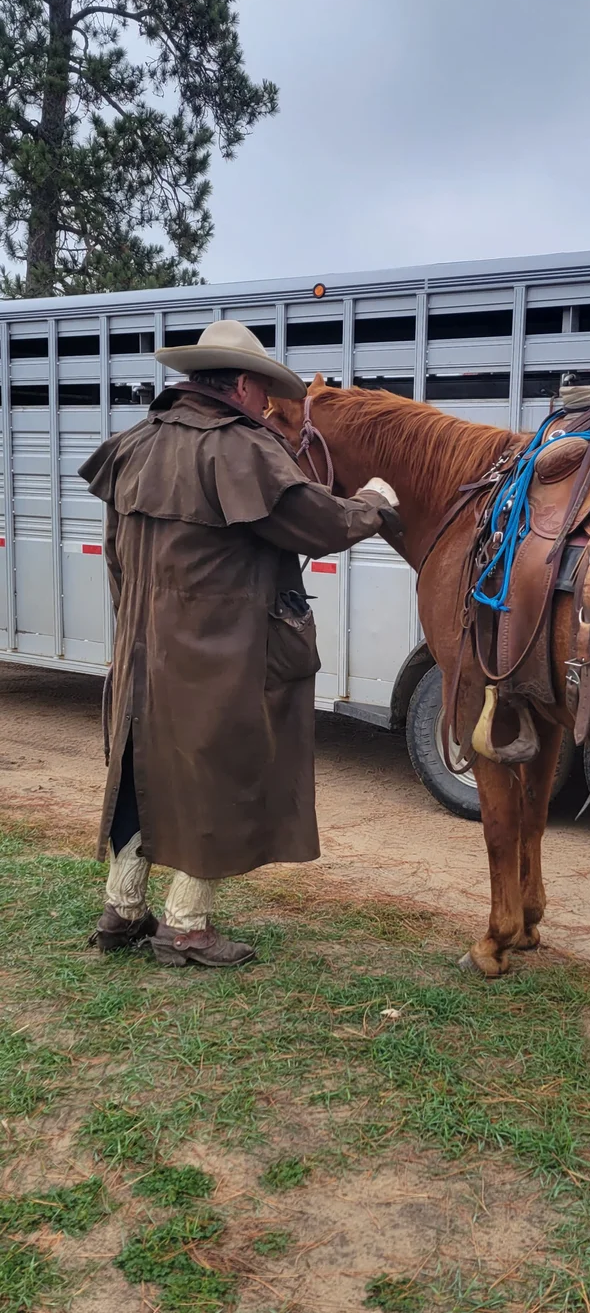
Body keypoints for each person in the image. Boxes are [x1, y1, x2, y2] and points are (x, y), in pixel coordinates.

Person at [79, 319, 400, 970]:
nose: (267, 410)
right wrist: (372, 503)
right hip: (220, 654)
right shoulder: (239, 449)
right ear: (246, 386)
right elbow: (317, 523)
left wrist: (134, 628)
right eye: (266, 398)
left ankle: (124, 908)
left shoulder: (135, 442)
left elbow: (116, 556)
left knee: (142, 773)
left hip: (144, 647)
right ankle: (187, 928)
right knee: (218, 779)